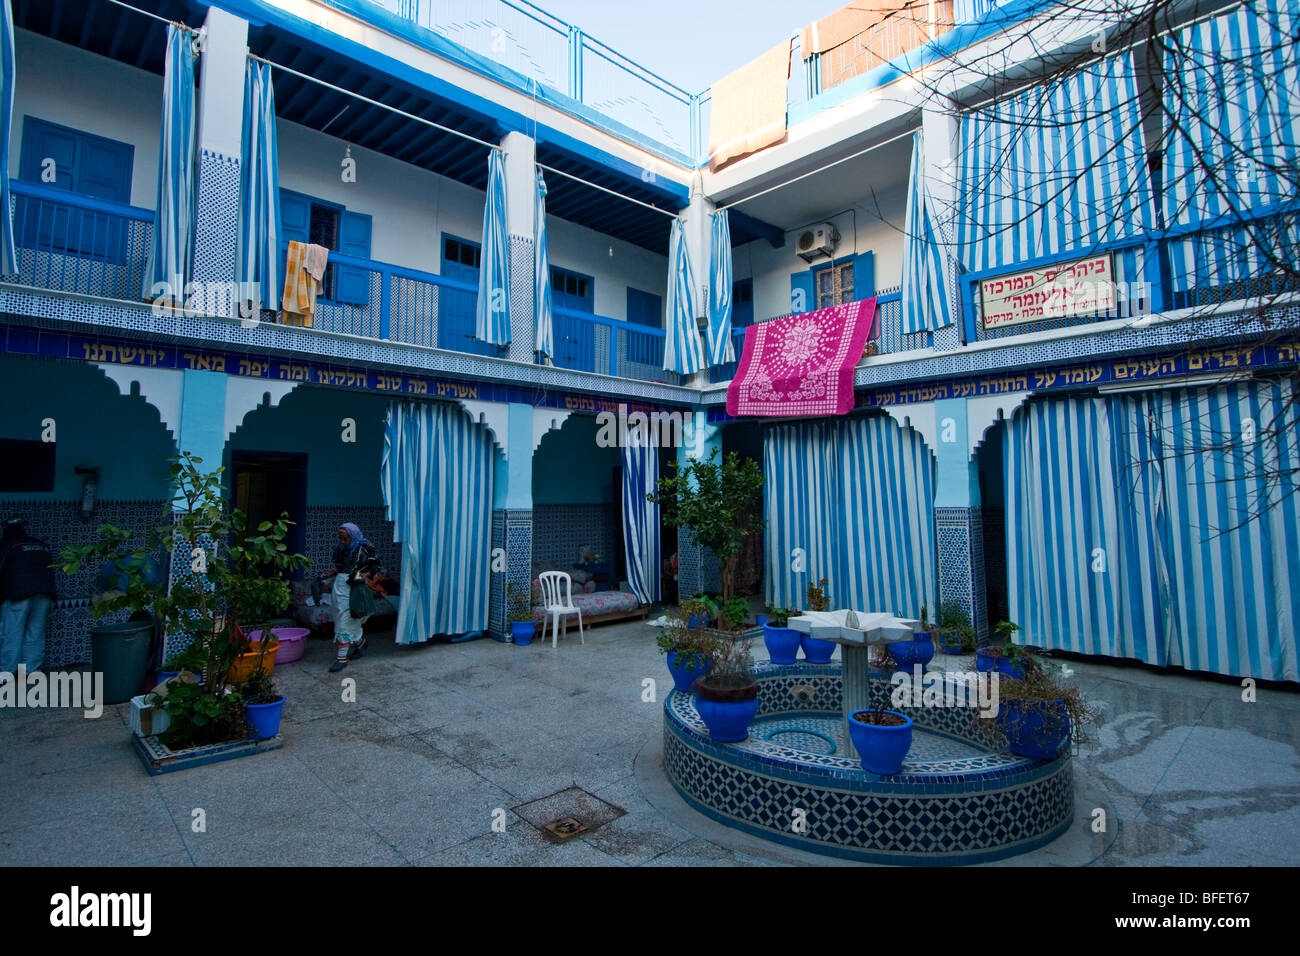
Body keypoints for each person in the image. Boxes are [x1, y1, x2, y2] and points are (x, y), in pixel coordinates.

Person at [317, 522, 381, 672]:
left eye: (346, 538)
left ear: (353, 535)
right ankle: (361, 643)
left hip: (355, 588)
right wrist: (329, 573)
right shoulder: (340, 549)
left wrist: (364, 576)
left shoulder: (365, 547)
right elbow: (339, 567)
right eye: (341, 538)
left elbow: (374, 567)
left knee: (344, 622)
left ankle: (341, 659)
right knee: (341, 617)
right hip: (340, 587)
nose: (343, 541)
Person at [0, 518, 57, 681]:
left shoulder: (6, 546)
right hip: (45, 593)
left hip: (19, 595)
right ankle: (31, 671)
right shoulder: (41, 545)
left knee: (12, 632)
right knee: (36, 632)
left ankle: (6, 673)